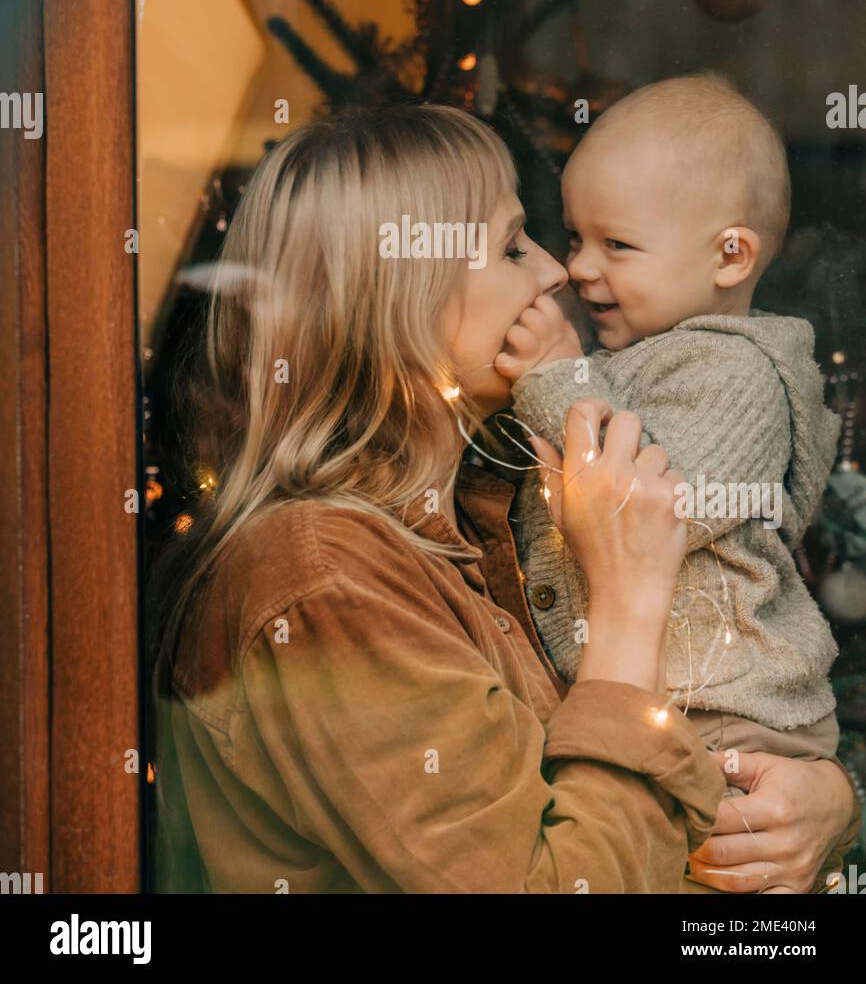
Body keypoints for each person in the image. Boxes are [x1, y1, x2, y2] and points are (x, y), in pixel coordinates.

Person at [149, 104, 859, 894]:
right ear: (404, 292)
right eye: (513, 246)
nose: (557, 272)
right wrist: (627, 605)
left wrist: (824, 803)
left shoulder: (492, 511)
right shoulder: (324, 583)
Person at [499, 77, 845, 884]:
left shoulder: (738, 372)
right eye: (576, 236)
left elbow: (650, 502)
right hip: (665, 717)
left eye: (616, 246)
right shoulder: (634, 353)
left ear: (731, 256)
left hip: (738, 727)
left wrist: (557, 377)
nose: (579, 268)